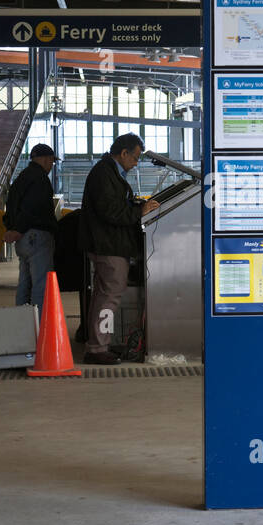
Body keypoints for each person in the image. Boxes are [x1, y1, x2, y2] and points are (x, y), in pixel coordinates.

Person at [79, 133, 159, 365]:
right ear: (123, 153)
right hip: (108, 245)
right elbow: (109, 211)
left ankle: (97, 344)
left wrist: (136, 206)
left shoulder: (109, 172)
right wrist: (139, 212)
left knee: (102, 296)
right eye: (135, 158)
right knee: (109, 297)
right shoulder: (104, 174)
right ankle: (97, 348)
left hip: (107, 244)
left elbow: (114, 205)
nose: (136, 164)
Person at [3, 143, 58, 318]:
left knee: (24, 283)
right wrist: (19, 229)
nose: (51, 166)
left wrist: (12, 229)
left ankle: (22, 326)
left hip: (22, 240)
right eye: (51, 161)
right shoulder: (40, 179)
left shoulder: (21, 177)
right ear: (45, 159)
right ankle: (39, 329)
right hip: (36, 236)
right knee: (40, 285)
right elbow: (32, 208)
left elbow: (11, 206)